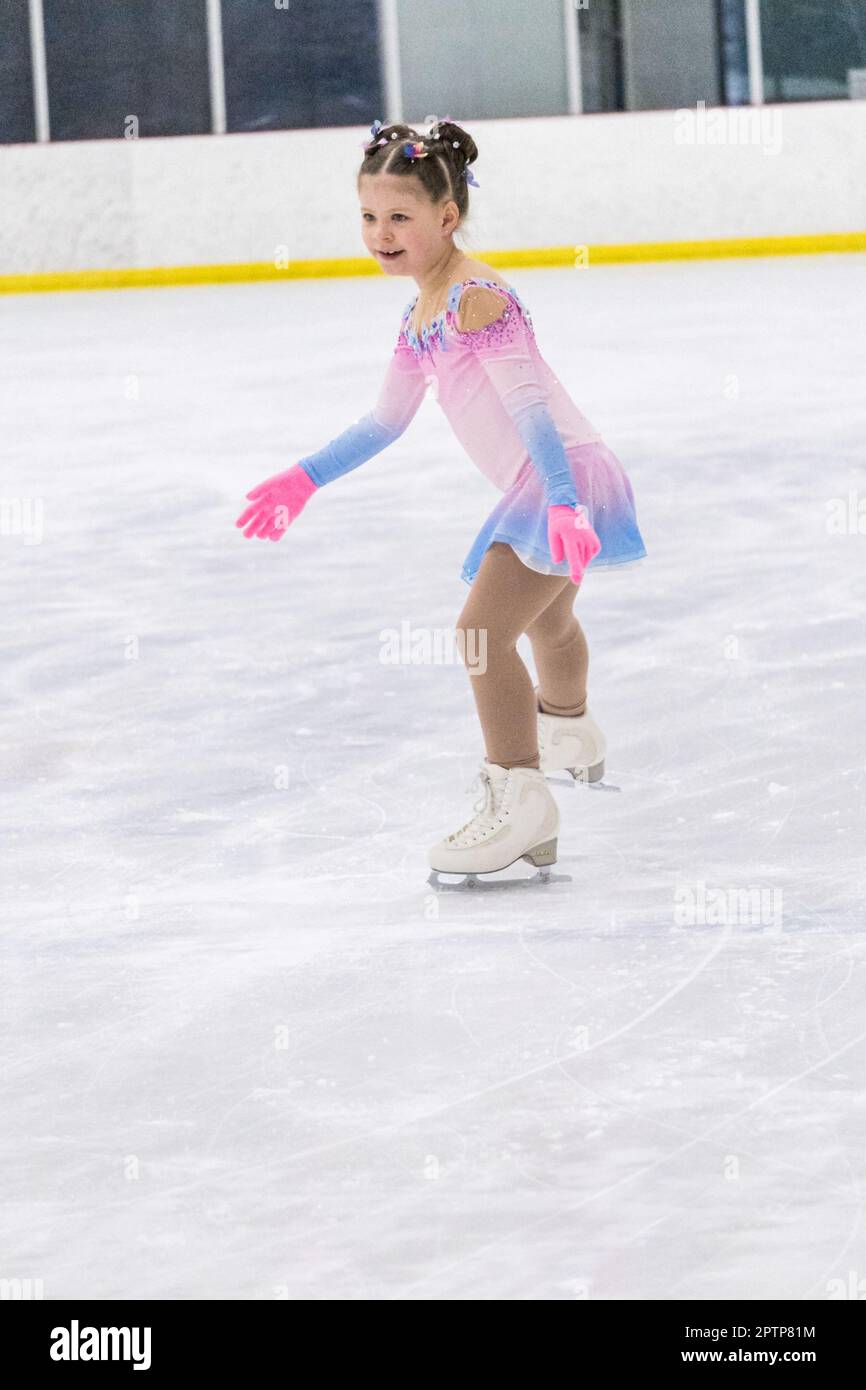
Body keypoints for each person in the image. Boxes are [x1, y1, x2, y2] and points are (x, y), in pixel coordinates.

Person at [236, 117, 647, 879]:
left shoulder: (475, 301)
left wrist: (562, 502)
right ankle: (569, 730)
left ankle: (521, 800)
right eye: (368, 217)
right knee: (549, 617)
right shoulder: (422, 310)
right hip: (557, 478)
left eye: (400, 217)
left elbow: (531, 412)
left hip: (563, 475)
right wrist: (304, 478)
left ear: (447, 217)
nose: (380, 234)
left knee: (482, 634)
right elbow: (385, 420)